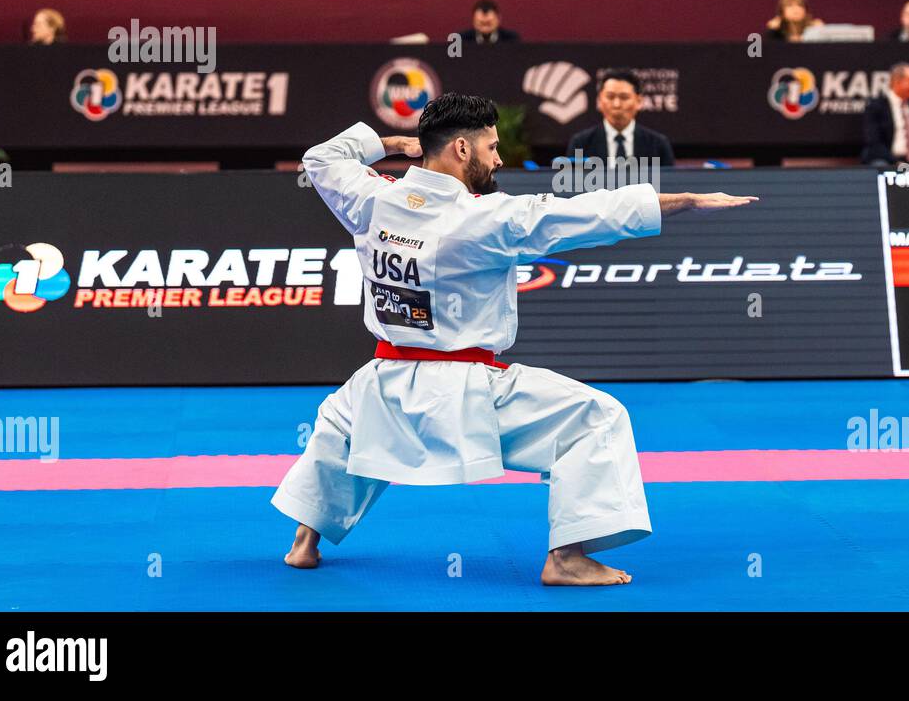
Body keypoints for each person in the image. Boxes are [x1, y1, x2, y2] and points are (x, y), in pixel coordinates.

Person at [272, 93, 756, 585]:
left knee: (344, 427)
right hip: (466, 390)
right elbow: (592, 215)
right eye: (492, 146)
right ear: (462, 149)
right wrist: (686, 201)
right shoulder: (487, 218)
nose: (499, 158)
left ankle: (304, 541)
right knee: (597, 417)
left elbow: (322, 158)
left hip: (384, 378)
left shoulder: (372, 197)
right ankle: (567, 557)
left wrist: (396, 142)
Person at [565, 69, 675, 167]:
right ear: (599, 100)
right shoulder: (581, 143)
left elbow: (669, 186)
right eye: (610, 97)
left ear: (639, 101)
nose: (616, 104)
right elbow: (573, 185)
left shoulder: (657, 144)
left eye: (624, 97)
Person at [860, 63, 909, 166]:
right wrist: (896, 162)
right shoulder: (876, 107)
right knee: (880, 165)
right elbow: (874, 143)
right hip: (888, 161)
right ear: (897, 81)